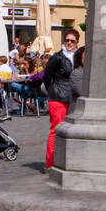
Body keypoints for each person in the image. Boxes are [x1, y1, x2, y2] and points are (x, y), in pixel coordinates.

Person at [41, 30, 80, 168]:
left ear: (77, 42)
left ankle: (67, 161)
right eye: (67, 40)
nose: (69, 43)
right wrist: (53, 90)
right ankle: (50, 163)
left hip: (73, 97)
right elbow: (47, 76)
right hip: (58, 97)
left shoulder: (78, 56)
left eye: (72, 41)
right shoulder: (58, 57)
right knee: (56, 129)